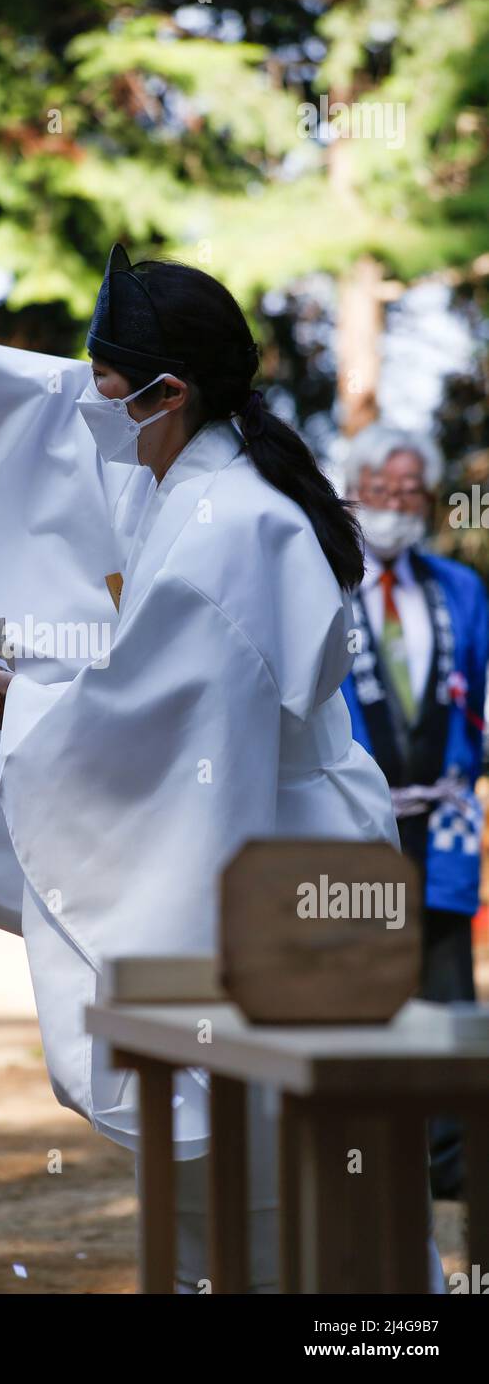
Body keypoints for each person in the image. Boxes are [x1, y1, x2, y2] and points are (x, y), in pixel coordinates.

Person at [0, 244, 444, 1291]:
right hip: (279, 851)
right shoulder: (208, 463)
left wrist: (10, 697)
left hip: (275, 867)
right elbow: (77, 406)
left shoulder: (230, 523)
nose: (90, 400)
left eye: (109, 379)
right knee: (262, 1189)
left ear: (169, 393)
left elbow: (157, 724)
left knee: (309, 1192)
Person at [342, 424, 489, 1200]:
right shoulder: (329, 584)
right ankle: (366, 1153)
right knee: (360, 979)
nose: (397, 505)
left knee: (446, 983)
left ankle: (451, 1164)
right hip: (358, 818)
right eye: (381, 490)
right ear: (354, 493)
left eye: (410, 492)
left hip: (446, 817)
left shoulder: (460, 589)